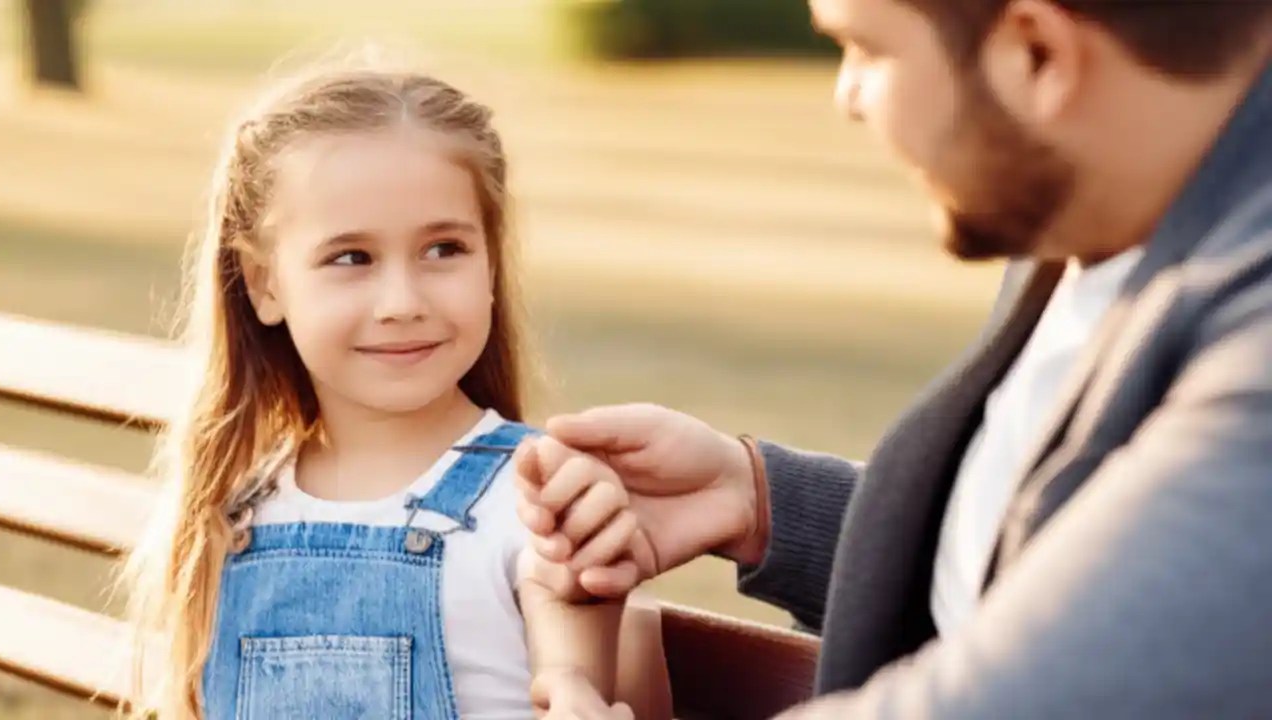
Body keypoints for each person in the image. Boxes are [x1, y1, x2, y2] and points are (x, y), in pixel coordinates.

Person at [518, 0, 1272, 716]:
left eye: (867, 48)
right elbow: (1083, 570)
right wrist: (762, 504)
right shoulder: (1089, 209)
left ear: (1038, 54)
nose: (848, 96)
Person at [119, 61, 670, 720]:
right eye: (351, 258)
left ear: (491, 261)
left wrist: (576, 680)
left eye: (443, 249)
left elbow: (577, 635)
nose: (402, 302)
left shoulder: (537, 491)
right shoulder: (236, 510)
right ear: (266, 284)